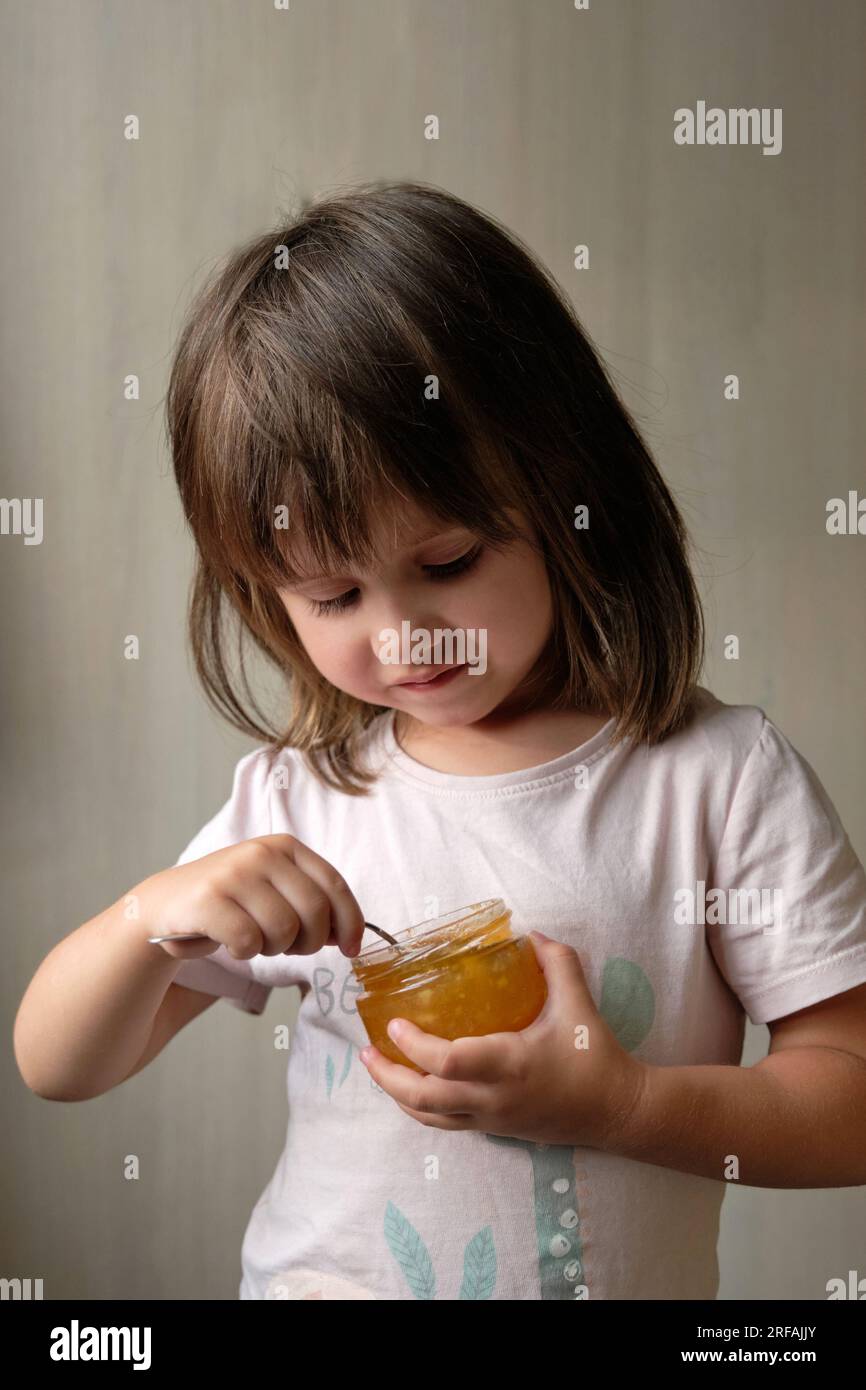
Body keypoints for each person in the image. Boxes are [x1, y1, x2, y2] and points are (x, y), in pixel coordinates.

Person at [14, 180, 866, 1301]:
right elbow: (56, 1065)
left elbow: (847, 1100)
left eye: (449, 561)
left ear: (569, 490)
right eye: (331, 595)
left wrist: (618, 1105)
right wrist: (142, 923)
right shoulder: (299, 802)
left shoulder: (711, 784)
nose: (403, 635)